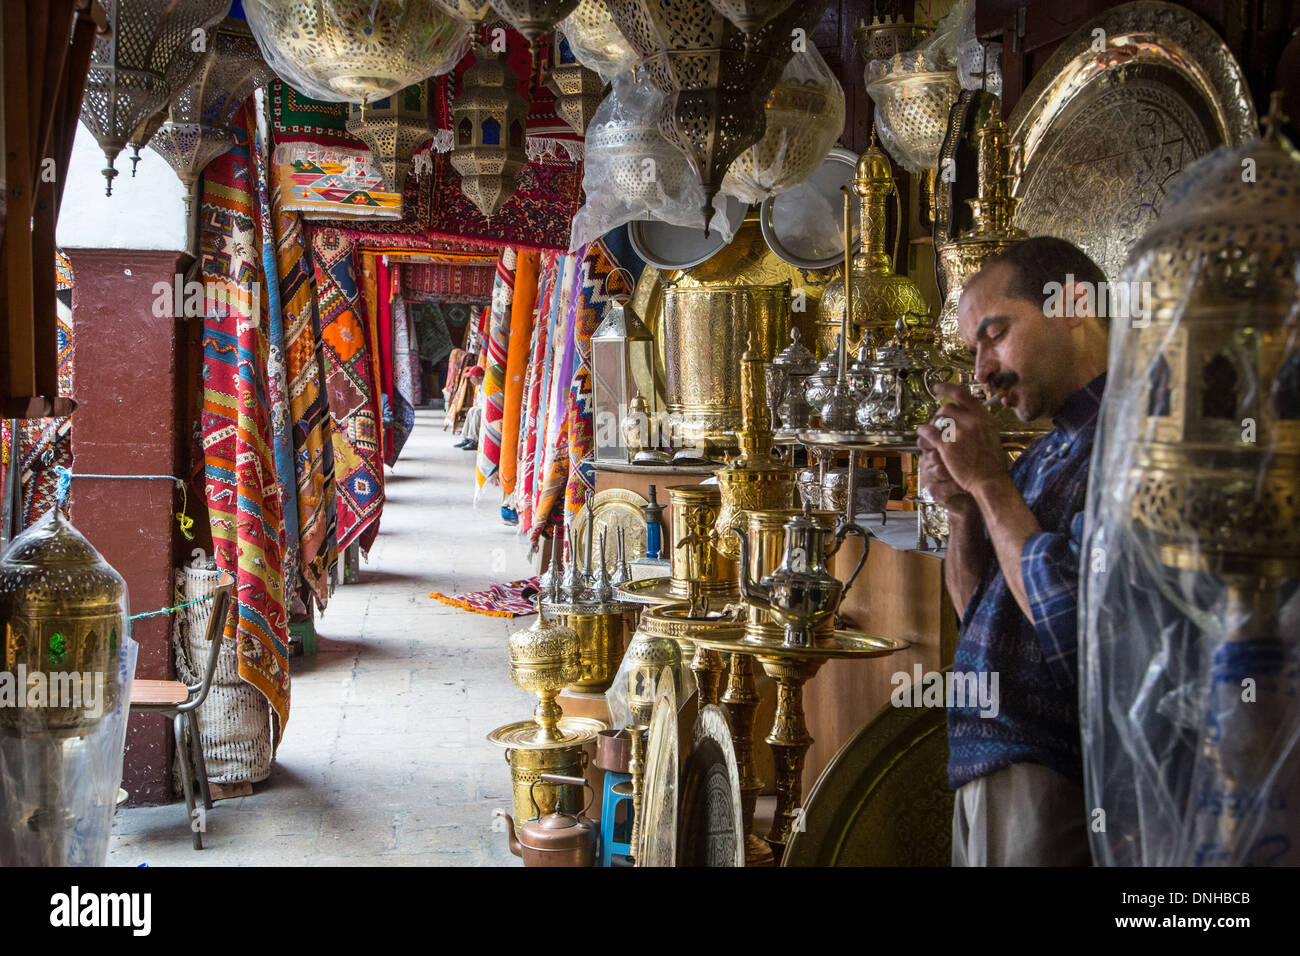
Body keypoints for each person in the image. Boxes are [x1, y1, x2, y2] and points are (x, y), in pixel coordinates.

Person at [915, 236, 1110, 866]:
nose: (981, 372)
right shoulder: (1044, 453)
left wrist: (988, 482)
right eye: (974, 350)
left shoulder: (1133, 437)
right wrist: (963, 506)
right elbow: (978, 608)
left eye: (995, 334)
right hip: (987, 766)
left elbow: (1072, 619)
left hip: (1052, 774)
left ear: (1074, 304)